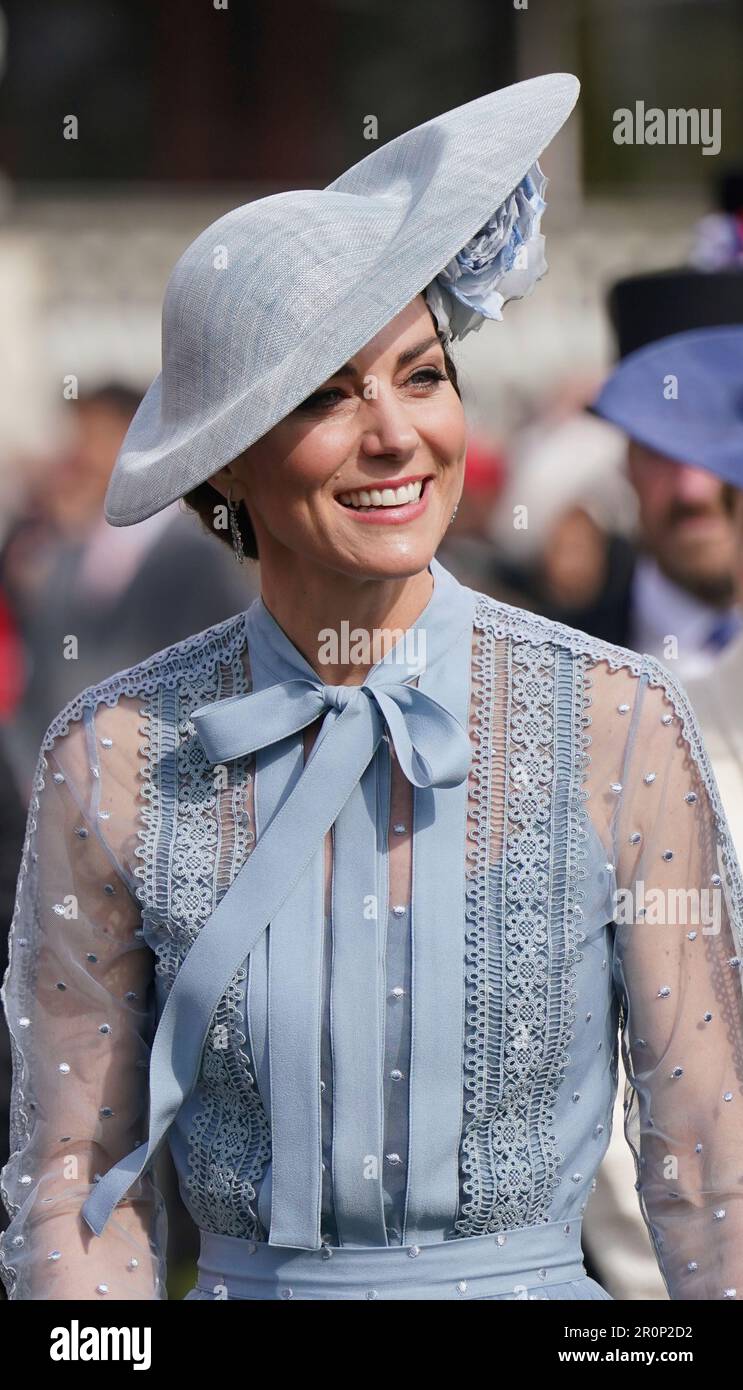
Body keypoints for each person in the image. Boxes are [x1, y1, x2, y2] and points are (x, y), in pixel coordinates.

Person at [2, 74, 743, 1304]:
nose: (394, 432)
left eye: (420, 373)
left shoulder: (620, 725)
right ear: (227, 454)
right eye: (327, 394)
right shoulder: (115, 755)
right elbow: (74, 1183)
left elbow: (713, 1172)